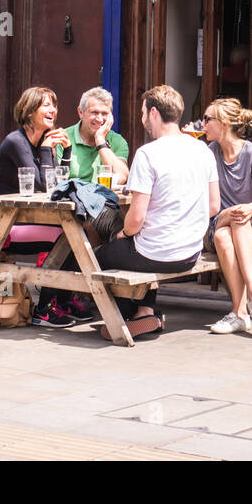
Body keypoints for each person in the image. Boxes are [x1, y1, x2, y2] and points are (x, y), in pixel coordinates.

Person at [95, 84, 218, 338]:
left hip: (154, 253)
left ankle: (110, 315)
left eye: (142, 114)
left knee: (97, 256)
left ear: (153, 113)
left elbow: (135, 220)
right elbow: (214, 206)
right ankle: (144, 313)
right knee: (141, 245)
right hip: (190, 253)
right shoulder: (203, 150)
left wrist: (123, 235)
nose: (142, 121)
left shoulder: (147, 154)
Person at [203, 98, 252, 334]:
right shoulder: (208, 153)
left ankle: (239, 313)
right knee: (233, 219)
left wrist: (249, 208)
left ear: (223, 123)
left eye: (207, 119)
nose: (202, 124)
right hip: (217, 220)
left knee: (228, 233)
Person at [0, 86, 71, 197]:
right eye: (46, 105)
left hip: (32, 208)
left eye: (54, 106)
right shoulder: (16, 141)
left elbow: (58, 186)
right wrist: (45, 149)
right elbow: (44, 187)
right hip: (6, 210)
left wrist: (67, 150)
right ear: (28, 110)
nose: (53, 110)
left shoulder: (45, 140)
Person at [60, 87, 128, 186]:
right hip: (71, 199)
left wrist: (100, 141)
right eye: (94, 112)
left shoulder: (118, 141)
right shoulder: (63, 138)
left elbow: (121, 177)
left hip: (104, 200)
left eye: (104, 113)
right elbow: (54, 180)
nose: (99, 119)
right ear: (80, 112)